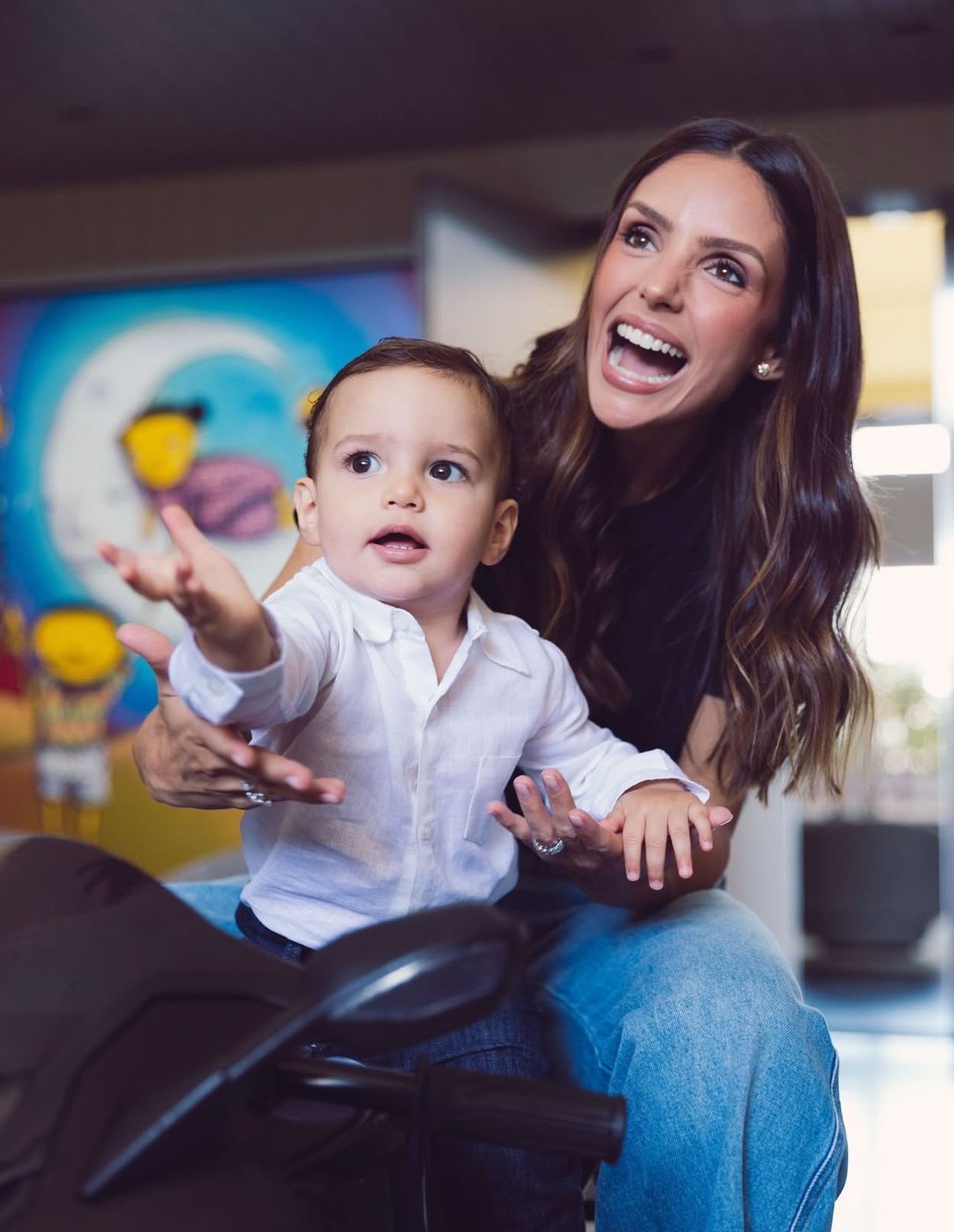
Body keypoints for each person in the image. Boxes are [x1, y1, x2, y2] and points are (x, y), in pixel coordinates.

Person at [122, 119, 879, 1232]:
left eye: (723, 269)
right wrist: (173, 738)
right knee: (68, 963)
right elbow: (274, 645)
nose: (659, 287)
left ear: (775, 340)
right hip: (344, 882)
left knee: (736, 1020)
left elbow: (686, 832)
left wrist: (617, 842)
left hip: (582, 905)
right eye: (640, 237)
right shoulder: (456, 434)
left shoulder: (780, 540)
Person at [101, 337, 728, 1232]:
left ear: (499, 527)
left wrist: (652, 793)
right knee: (295, 1173)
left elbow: (587, 755)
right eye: (365, 462)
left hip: (463, 969)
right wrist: (230, 630)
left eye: (444, 469)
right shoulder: (314, 620)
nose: (404, 492)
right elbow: (265, 677)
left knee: (520, 1168)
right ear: (311, 510)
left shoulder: (524, 662)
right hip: (297, 964)